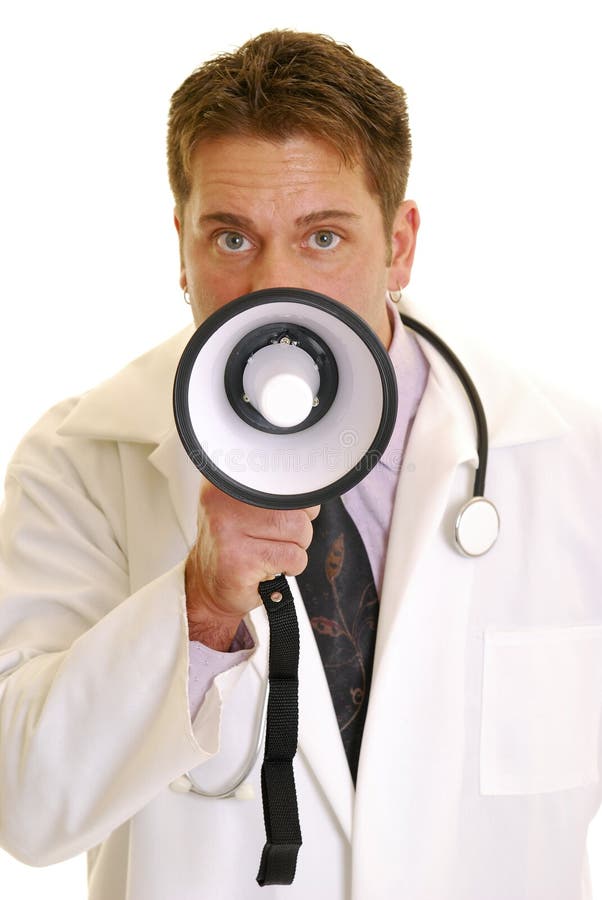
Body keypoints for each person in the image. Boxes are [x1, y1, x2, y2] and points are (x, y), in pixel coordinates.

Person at [1, 29, 602, 900]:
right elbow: (25, 810)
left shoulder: (574, 464)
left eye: (323, 238)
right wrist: (199, 610)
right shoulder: (81, 464)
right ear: (181, 245)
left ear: (399, 244)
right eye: (232, 239)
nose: (273, 286)